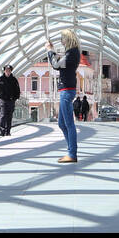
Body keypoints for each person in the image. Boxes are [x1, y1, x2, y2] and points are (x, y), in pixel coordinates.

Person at [47, 30, 81, 163]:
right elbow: (60, 63)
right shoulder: (71, 53)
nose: (61, 41)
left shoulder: (72, 53)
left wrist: (50, 50)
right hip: (65, 90)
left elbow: (56, 65)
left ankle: (72, 154)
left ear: (68, 39)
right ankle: (70, 150)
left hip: (67, 91)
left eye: (62, 38)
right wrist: (53, 51)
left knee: (69, 124)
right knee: (62, 123)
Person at [0, 64, 21, 136]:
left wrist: (16, 98)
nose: (8, 71)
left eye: (9, 70)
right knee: (2, 115)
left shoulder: (14, 80)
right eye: (6, 70)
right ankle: (2, 131)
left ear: (11, 71)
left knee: (9, 116)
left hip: (11, 100)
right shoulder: (0, 79)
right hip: (2, 100)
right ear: (4, 71)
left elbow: (17, 90)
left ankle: (8, 131)